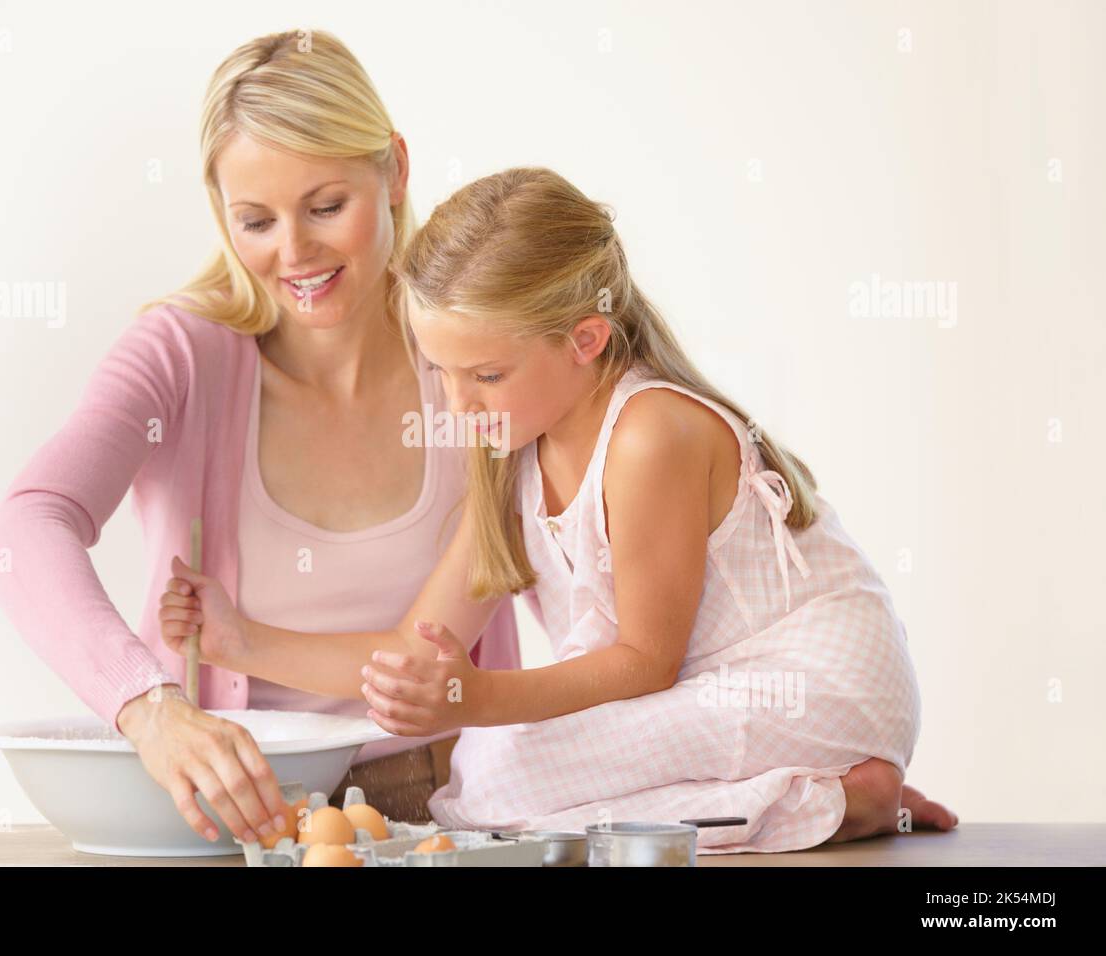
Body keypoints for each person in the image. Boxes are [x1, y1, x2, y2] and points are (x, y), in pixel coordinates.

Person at [161, 166, 959, 852]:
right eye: (439, 372)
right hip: (697, 694)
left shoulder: (651, 434)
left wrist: (473, 698)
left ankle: (835, 796)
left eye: (484, 375)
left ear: (584, 340)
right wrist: (240, 641)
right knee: (492, 773)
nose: (456, 401)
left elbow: (645, 663)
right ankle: (806, 802)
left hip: (810, 682)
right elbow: (416, 645)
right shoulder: (517, 454)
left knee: (497, 770)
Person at [0, 29, 520, 846]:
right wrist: (150, 708)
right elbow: (23, 529)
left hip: (452, 805)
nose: (294, 254)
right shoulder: (180, 355)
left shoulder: (470, 354)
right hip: (235, 815)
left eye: (327, 207)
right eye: (255, 220)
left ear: (396, 169)